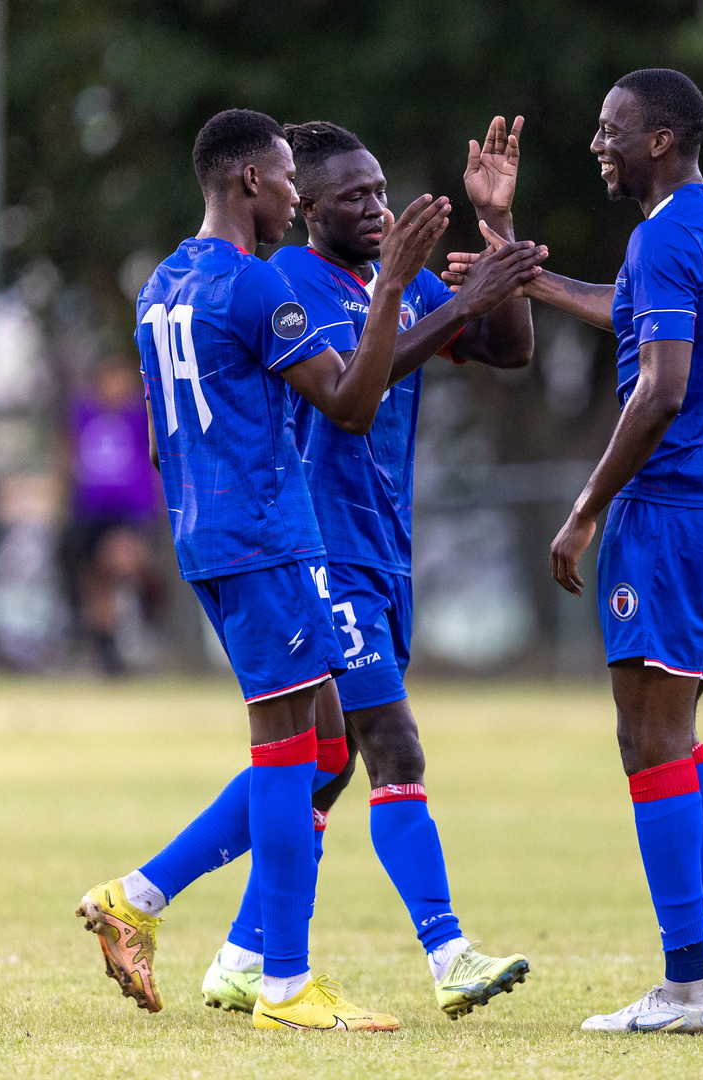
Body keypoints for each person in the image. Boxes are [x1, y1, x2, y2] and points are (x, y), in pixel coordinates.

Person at [75, 107, 451, 1033]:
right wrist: (392, 285)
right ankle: (283, 982)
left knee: (325, 748)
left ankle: (143, 895)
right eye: (286, 178)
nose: (294, 193)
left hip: (207, 536)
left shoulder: (162, 283)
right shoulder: (255, 290)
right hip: (265, 540)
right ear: (250, 182)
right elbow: (352, 405)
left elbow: (167, 444)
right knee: (289, 753)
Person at [445, 68, 703, 1035]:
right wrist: (511, 256)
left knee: (647, 742)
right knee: (676, 736)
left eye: (611, 130)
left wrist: (586, 507)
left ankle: (686, 989)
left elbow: (660, 389)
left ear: (658, 141)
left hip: (671, 505)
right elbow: (635, 309)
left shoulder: (664, 232)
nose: (596, 142)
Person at [195, 117, 549, 1021]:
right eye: (355, 196)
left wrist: (495, 232)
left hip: (386, 546)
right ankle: (448, 952)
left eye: (382, 189)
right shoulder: (289, 284)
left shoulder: (389, 279)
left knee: (325, 768)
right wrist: (443, 306)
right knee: (393, 747)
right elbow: (355, 386)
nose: (379, 208)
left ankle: (240, 952)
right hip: (324, 550)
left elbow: (509, 350)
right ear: (301, 204)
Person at [65, 357, 165, 675]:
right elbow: (69, 457)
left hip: (130, 511)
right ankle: (106, 652)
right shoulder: (83, 413)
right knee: (97, 583)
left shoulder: (139, 415)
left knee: (121, 559)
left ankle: (148, 612)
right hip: (91, 511)